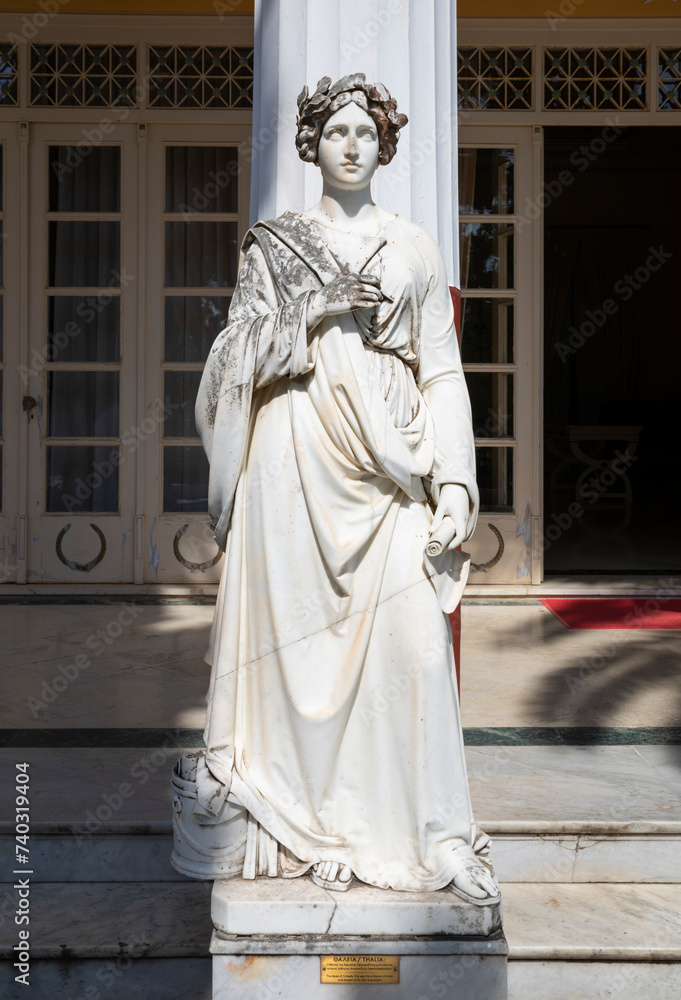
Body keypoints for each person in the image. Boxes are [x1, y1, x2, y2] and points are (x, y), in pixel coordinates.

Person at [194, 72, 500, 904]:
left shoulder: (414, 245)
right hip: (292, 466)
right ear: (312, 145)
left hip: (389, 471)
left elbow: (442, 371)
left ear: (385, 144)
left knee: (412, 649)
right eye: (336, 133)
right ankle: (306, 827)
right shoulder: (277, 245)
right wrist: (316, 308)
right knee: (293, 648)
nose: (353, 145)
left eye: (366, 132)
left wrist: (455, 483)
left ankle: (434, 835)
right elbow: (228, 364)